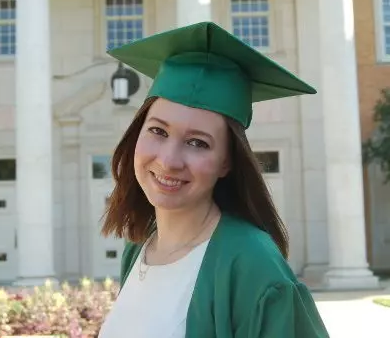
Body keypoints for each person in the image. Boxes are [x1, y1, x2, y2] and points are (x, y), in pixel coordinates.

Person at [98, 21, 330, 338]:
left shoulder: (252, 265)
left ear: (227, 162)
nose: (168, 160)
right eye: (158, 131)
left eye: (198, 143)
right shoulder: (138, 247)